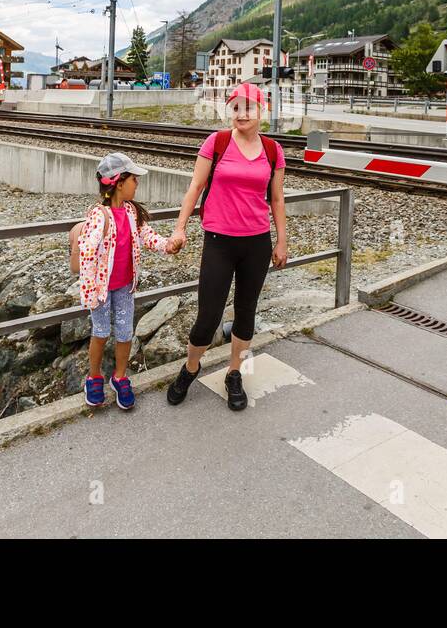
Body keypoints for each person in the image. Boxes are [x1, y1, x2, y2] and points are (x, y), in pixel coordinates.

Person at [165, 83, 287, 411]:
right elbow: (196, 186)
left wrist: (281, 241)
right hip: (219, 241)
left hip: (257, 243)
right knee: (208, 316)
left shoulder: (273, 150)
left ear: (263, 111)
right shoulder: (216, 142)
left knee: (246, 312)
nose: (241, 113)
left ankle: (236, 373)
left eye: (248, 107)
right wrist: (180, 227)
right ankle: (191, 367)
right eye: (235, 107)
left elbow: (276, 199)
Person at [73, 152, 174, 410]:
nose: (137, 184)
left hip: (125, 286)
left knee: (125, 331)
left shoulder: (131, 212)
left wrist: (167, 245)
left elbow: (147, 235)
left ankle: (120, 376)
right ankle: (94, 377)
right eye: (133, 179)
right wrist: (90, 292)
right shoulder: (100, 215)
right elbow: (87, 253)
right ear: (119, 183)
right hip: (101, 289)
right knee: (101, 332)